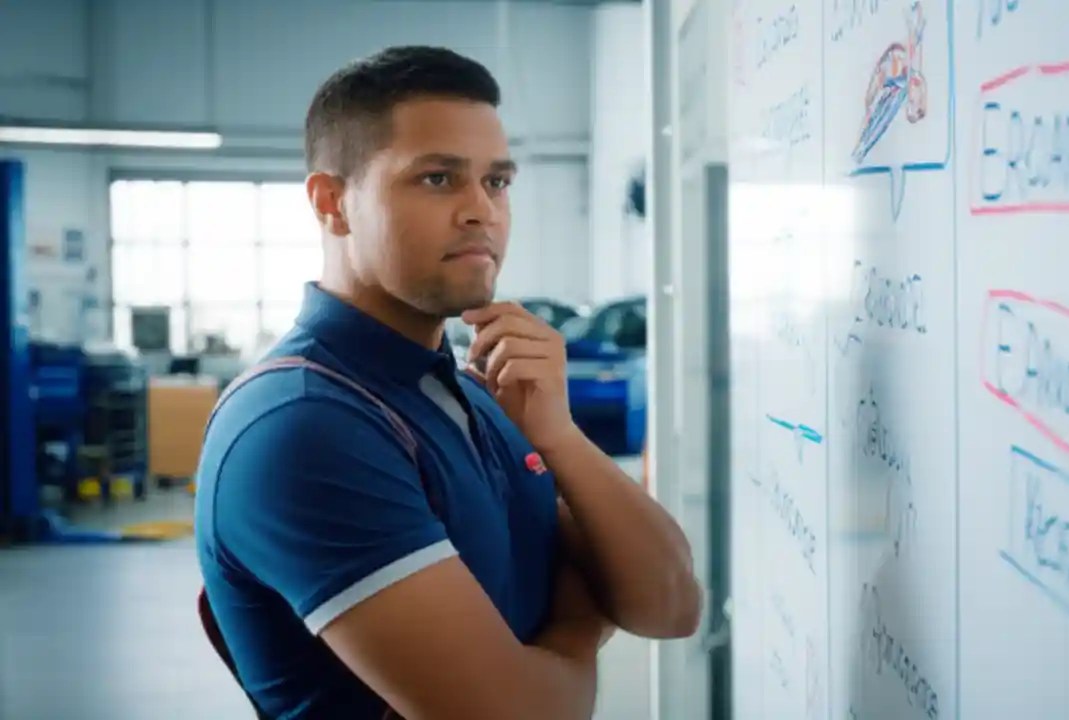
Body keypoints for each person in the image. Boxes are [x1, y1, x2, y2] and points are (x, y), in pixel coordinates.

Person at [194, 46, 700, 719]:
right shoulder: (304, 425)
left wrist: (560, 437)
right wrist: (580, 624)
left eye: (497, 182)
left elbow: (671, 605)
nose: (481, 211)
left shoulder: (468, 391)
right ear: (332, 203)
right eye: (437, 179)